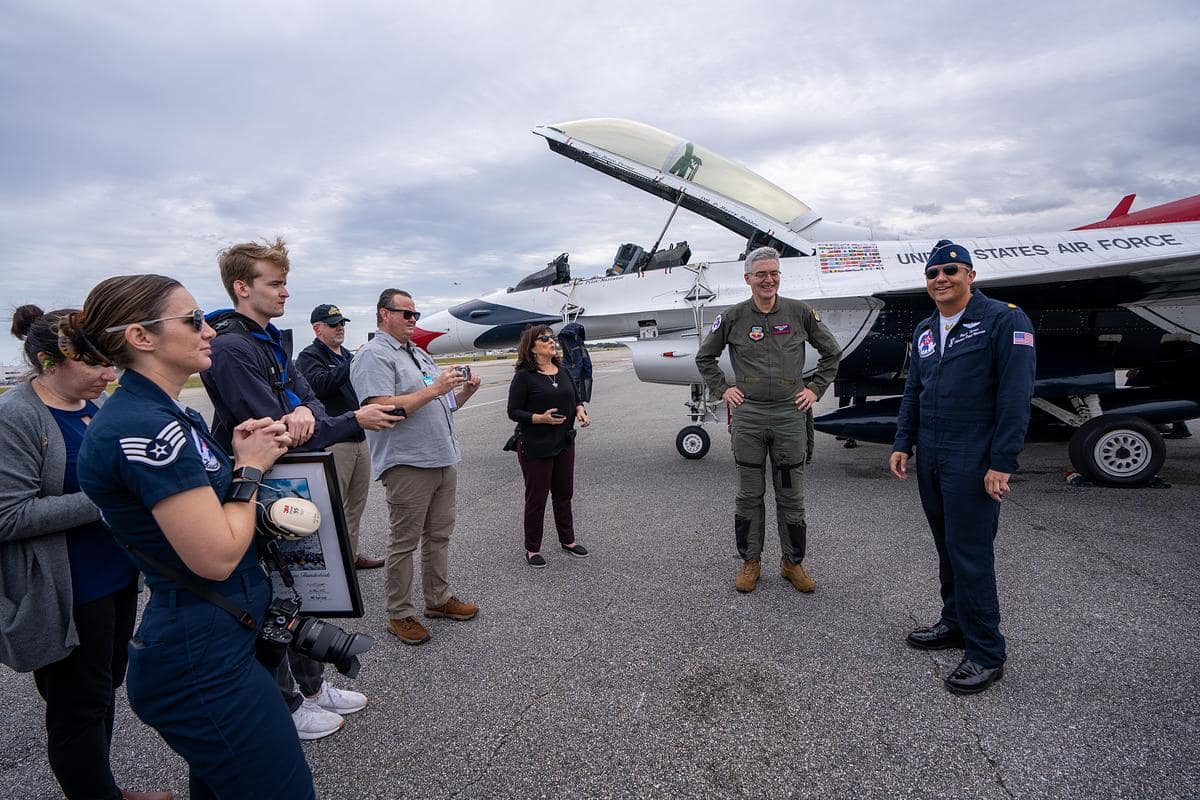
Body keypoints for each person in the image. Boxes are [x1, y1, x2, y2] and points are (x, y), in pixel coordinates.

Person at [70, 274, 315, 799]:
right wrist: (248, 471)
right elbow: (217, 555)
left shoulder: (167, 414)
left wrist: (235, 453)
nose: (208, 330)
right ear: (141, 337)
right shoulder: (142, 426)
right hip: (201, 651)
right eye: (192, 320)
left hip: (224, 631)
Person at [200, 238, 399, 740]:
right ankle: (286, 702)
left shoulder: (268, 340)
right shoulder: (230, 347)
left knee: (304, 589)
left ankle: (311, 687)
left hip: (295, 475)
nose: (286, 291)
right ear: (242, 288)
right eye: (275, 283)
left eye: (285, 281)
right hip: (263, 483)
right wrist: (350, 418)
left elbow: (307, 402)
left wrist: (311, 411)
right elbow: (271, 424)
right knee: (276, 596)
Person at [0, 306, 169, 800]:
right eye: (96, 364)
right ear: (50, 363)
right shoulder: (17, 418)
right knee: (77, 708)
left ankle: (104, 790)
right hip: (65, 591)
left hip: (112, 579)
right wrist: (107, 496)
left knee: (101, 692)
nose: (109, 374)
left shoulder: (93, 409)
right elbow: (8, 517)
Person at [890, 239, 1036, 696]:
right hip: (932, 451)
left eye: (951, 271)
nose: (941, 279)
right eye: (933, 274)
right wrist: (904, 443)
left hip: (973, 455)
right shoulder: (926, 329)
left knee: (971, 553)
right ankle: (954, 623)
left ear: (971, 275)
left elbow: (1015, 396)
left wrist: (1001, 463)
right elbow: (915, 388)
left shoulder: (1004, 320)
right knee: (947, 546)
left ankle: (986, 652)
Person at [695, 246, 841, 594]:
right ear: (748, 279)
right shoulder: (733, 317)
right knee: (749, 495)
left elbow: (832, 352)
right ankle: (751, 562)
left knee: (792, 496)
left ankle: (793, 564)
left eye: (773, 273)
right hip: (750, 416)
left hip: (790, 415)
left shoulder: (800, 312)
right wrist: (722, 390)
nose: (768, 279)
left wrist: (816, 389)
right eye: (761, 274)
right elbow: (705, 357)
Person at [350, 289, 482, 645]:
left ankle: (437, 600)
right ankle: (399, 612)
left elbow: (441, 404)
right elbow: (382, 410)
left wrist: (462, 392)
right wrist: (436, 389)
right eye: (406, 314)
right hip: (408, 463)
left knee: (439, 536)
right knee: (404, 542)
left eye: (415, 314)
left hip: (441, 458)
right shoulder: (373, 356)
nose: (413, 320)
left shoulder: (419, 355)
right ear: (383, 314)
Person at [296, 303, 385, 569]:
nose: (340, 328)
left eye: (342, 323)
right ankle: (333, 564)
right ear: (317, 328)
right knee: (332, 505)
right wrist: (351, 364)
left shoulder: (345, 354)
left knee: (355, 504)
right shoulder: (309, 356)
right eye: (333, 324)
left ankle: (351, 554)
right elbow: (319, 386)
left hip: (359, 437)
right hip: (336, 441)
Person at [507, 325, 591, 568]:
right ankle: (532, 549)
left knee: (564, 494)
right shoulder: (524, 376)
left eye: (551, 337)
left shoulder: (562, 370)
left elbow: (575, 398)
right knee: (537, 498)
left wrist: (580, 410)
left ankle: (568, 540)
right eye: (544, 339)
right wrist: (539, 418)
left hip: (564, 441)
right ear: (532, 348)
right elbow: (513, 411)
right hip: (535, 445)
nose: (550, 341)